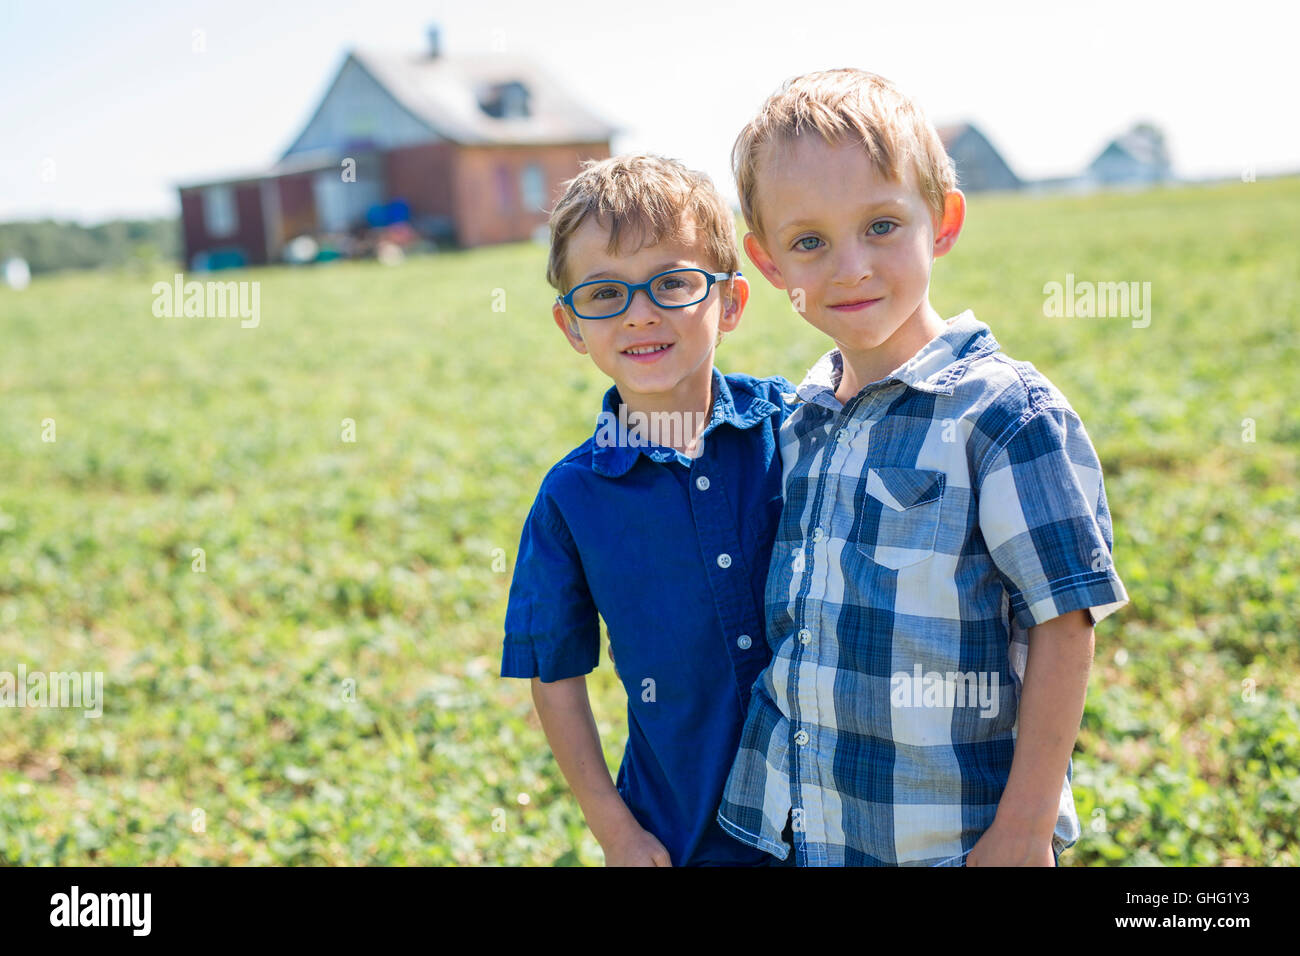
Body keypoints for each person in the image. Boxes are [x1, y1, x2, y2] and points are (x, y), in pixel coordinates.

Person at [716, 69, 1129, 866]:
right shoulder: (801, 419)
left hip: (948, 839)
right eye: (810, 242)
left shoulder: (1005, 414)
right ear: (768, 264)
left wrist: (1023, 830)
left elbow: (1064, 627)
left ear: (941, 221)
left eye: (880, 225)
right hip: (803, 830)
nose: (850, 268)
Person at [501, 154, 798, 865]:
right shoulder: (571, 499)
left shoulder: (798, 426)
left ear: (729, 304)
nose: (640, 313)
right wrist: (617, 831)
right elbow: (556, 676)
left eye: (672, 283)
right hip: (686, 830)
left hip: (839, 819)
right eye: (604, 294)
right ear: (572, 326)